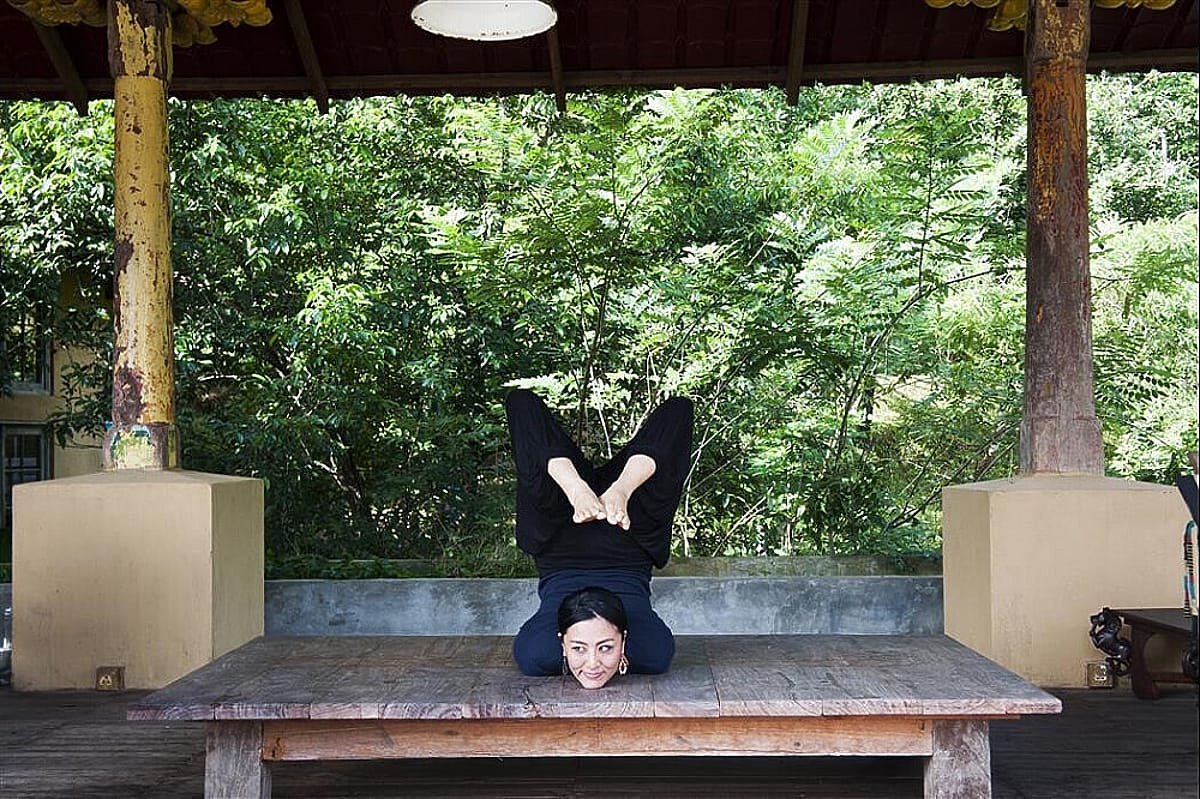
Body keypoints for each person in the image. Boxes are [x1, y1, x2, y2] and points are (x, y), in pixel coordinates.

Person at [505, 387, 693, 687]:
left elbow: (534, 654)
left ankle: (575, 486)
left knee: (521, 403)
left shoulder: (538, 654)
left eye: (579, 649)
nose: (592, 666)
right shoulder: (651, 652)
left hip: (561, 537)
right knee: (678, 411)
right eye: (606, 648)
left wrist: (576, 492)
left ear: (561, 642)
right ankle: (621, 488)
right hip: (628, 534)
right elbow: (655, 655)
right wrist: (621, 494)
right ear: (625, 640)